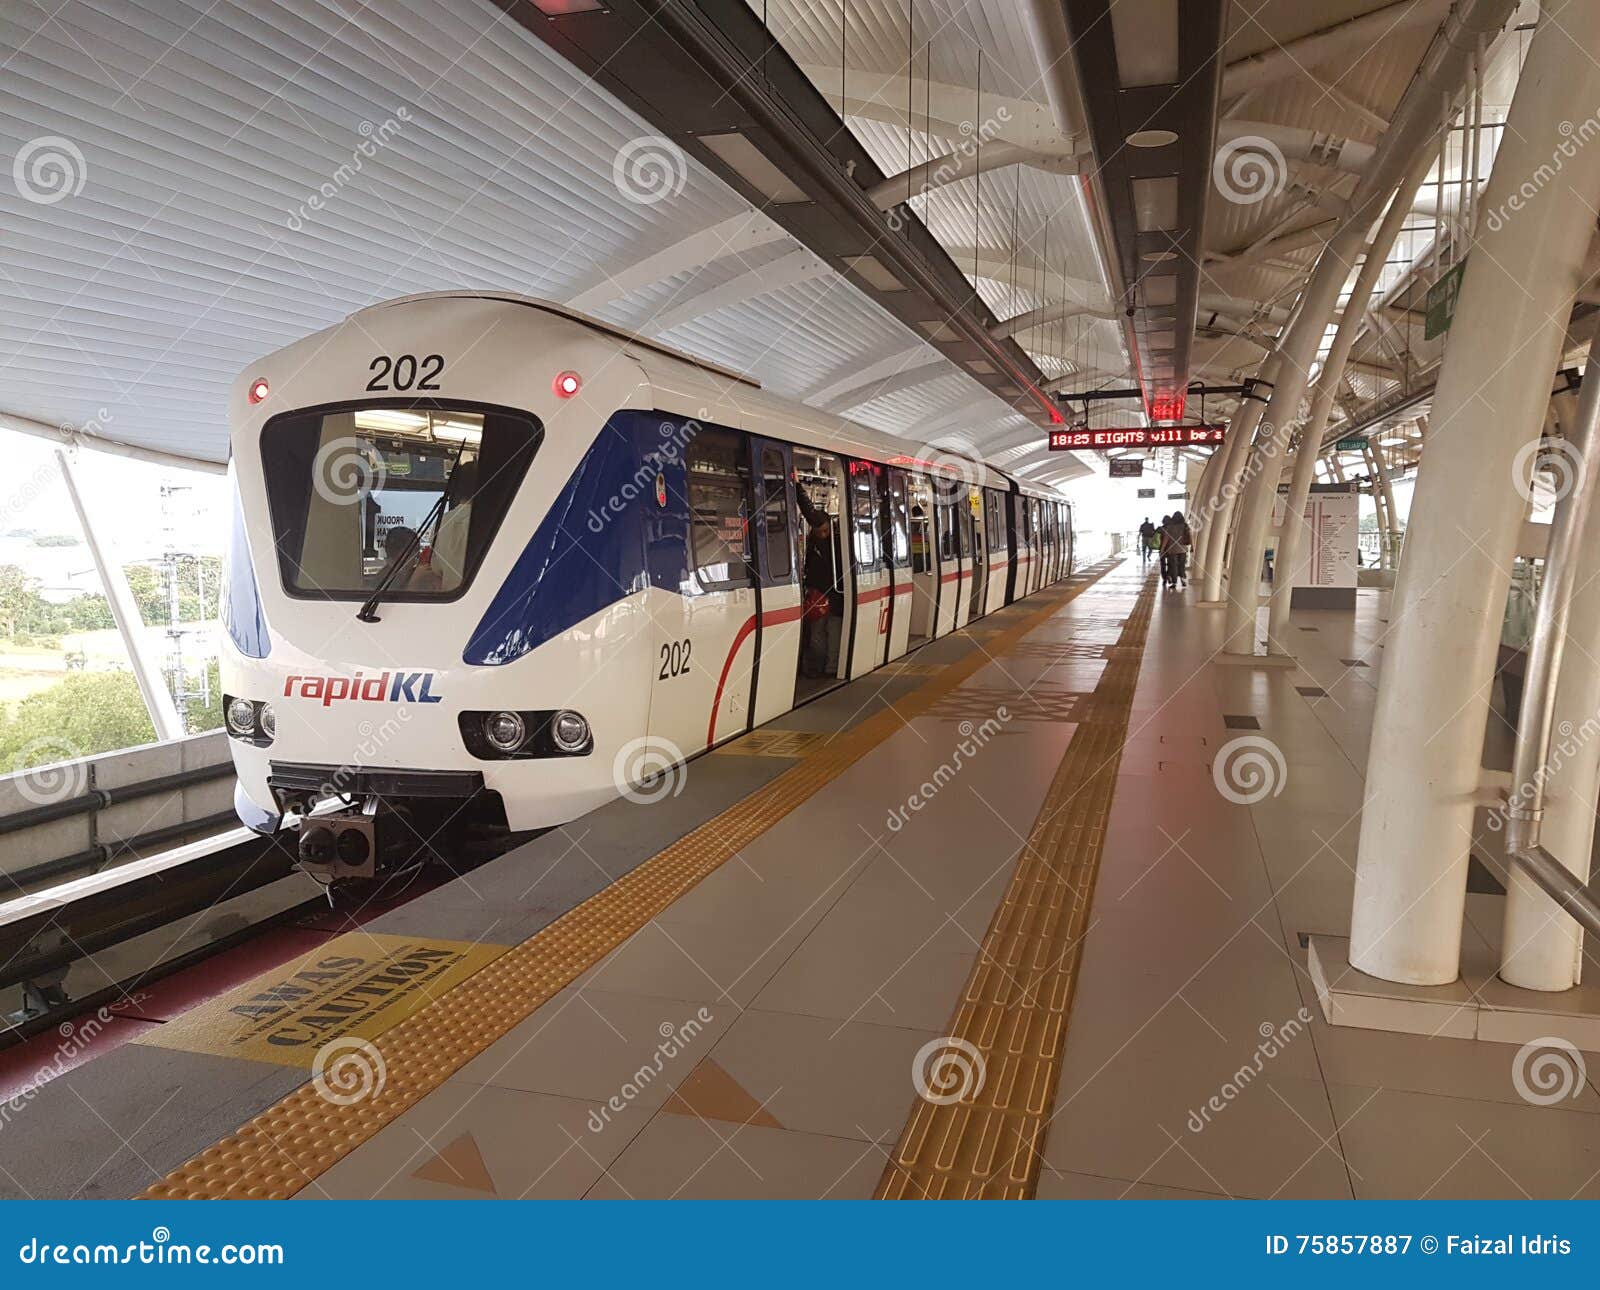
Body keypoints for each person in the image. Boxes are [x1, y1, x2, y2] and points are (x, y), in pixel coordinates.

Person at [794, 474, 843, 678]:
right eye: (819, 532)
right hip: (819, 595)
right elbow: (810, 513)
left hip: (838, 595)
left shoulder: (839, 542)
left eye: (825, 531)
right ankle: (819, 667)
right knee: (817, 636)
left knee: (834, 635)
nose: (823, 535)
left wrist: (798, 486)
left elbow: (810, 513)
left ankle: (832, 668)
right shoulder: (817, 544)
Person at [1162, 511, 1190, 590]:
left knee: (1173, 566)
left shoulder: (1170, 526)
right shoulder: (1185, 526)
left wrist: (1162, 549)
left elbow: (1166, 539)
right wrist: (1192, 546)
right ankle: (1183, 580)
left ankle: (1174, 583)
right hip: (1183, 549)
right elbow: (1190, 535)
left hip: (1172, 550)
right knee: (1182, 565)